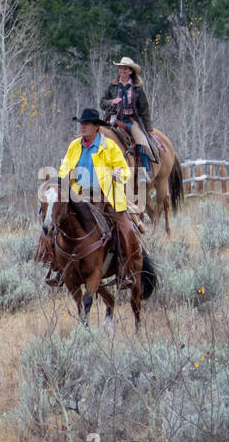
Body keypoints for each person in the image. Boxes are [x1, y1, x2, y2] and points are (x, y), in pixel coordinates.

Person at [58, 108, 140, 282]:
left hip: (106, 197)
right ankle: (58, 267)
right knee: (54, 222)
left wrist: (119, 173)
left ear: (96, 127)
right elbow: (64, 169)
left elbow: (125, 170)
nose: (82, 127)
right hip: (79, 197)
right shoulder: (74, 146)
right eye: (81, 124)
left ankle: (126, 268)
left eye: (86, 124)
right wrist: (63, 180)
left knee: (125, 228)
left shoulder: (109, 146)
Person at [100, 56, 156, 174]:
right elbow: (102, 103)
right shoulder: (113, 86)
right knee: (99, 139)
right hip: (113, 119)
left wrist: (149, 128)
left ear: (131, 71)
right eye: (121, 68)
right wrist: (112, 102)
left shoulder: (137, 89)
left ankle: (145, 171)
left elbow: (144, 109)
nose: (122, 71)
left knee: (142, 142)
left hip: (130, 120)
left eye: (125, 69)